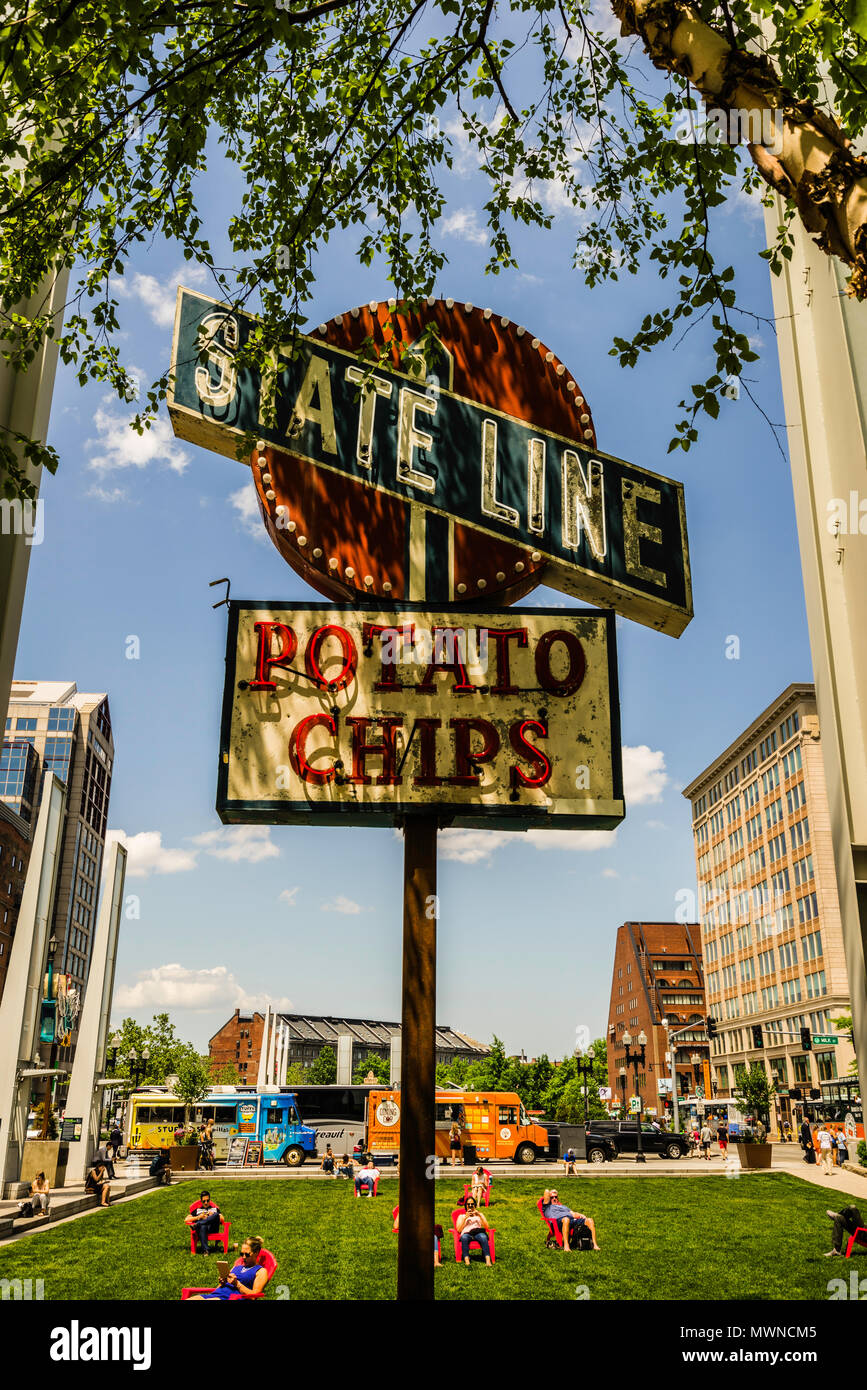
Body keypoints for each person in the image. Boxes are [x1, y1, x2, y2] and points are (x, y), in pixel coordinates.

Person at [186, 1236, 270, 1299]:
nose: (243, 1257)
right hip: (215, 1295)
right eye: (241, 1254)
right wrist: (223, 1282)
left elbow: (254, 1296)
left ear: (256, 1253)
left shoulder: (260, 1271)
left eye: (247, 1254)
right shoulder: (237, 1266)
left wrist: (237, 1284)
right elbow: (219, 1287)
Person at [456, 1195, 493, 1266]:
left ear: (475, 1205)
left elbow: (487, 1227)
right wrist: (465, 1218)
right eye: (468, 1204)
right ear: (466, 1205)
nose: (470, 1206)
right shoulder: (462, 1216)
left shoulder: (479, 1215)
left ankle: (488, 1261)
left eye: (472, 1204)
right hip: (466, 1233)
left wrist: (480, 1215)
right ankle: (467, 1260)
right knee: (464, 1238)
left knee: (483, 1237)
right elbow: (459, 1229)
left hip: (477, 1233)